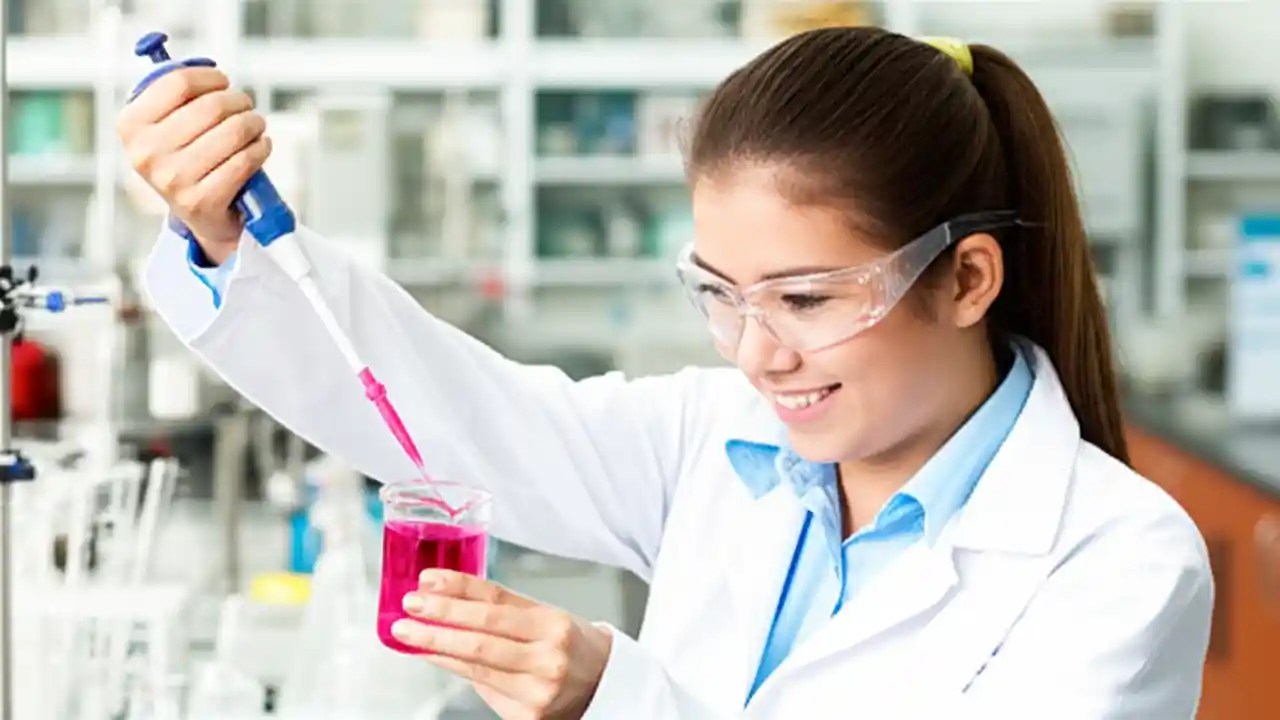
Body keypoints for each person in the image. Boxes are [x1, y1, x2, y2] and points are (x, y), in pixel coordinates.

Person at [118, 26, 1213, 719]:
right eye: (721, 294)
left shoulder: (1116, 562)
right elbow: (453, 415)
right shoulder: (717, 442)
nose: (756, 353)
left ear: (966, 279)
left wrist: (615, 696)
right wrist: (225, 241)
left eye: (806, 298)